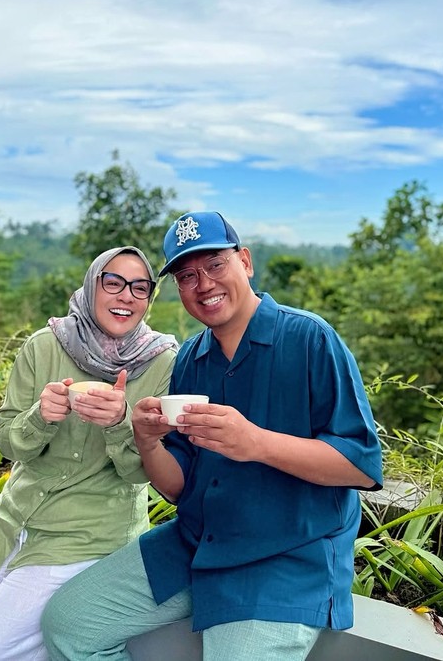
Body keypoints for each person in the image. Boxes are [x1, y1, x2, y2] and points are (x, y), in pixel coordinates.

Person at [42, 212, 383, 661]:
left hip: (282, 560)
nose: (203, 284)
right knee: (69, 625)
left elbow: (360, 465)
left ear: (245, 261)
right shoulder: (191, 359)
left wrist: (256, 442)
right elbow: (179, 485)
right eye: (187, 276)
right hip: (196, 542)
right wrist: (146, 439)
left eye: (215, 265)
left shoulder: (309, 339)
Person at [0, 246, 178, 661]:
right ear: (91, 285)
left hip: (82, 541)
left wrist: (120, 422)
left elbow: (144, 473)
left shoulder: (162, 364)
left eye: (140, 288)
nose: (127, 295)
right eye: (114, 282)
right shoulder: (45, 345)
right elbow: (7, 441)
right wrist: (40, 417)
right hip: (7, 528)